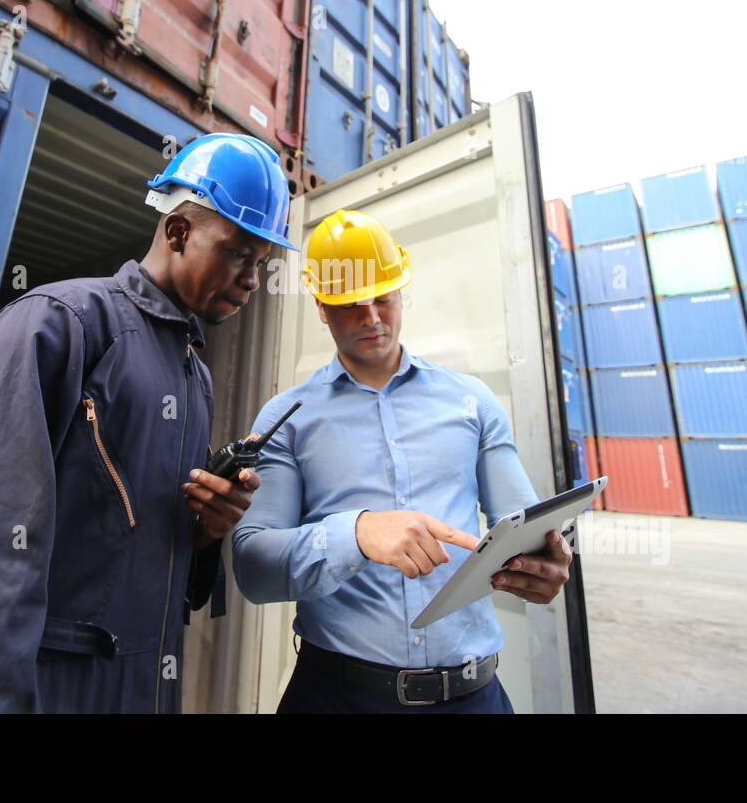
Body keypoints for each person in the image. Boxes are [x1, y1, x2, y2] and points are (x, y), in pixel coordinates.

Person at [0, 133, 296, 713]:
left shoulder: (193, 377)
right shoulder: (60, 324)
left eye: (261, 263)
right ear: (178, 232)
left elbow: (138, 548)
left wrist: (206, 528)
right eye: (239, 254)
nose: (253, 279)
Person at [231, 208, 572, 713]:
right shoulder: (288, 419)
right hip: (338, 698)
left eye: (384, 297)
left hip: (473, 698)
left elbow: (524, 525)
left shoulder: (472, 402)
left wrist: (544, 564)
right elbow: (254, 568)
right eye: (350, 303)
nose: (371, 317)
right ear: (321, 306)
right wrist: (358, 534)